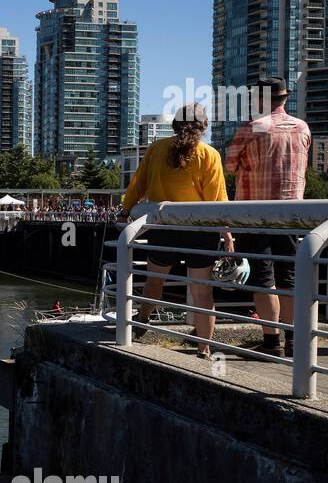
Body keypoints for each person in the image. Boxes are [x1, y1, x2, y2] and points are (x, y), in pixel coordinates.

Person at [122, 103, 233, 359]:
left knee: (155, 280)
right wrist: (227, 234)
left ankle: (142, 322)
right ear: (203, 126)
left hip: (163, 226)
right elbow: (218, 199)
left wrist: (125, 210)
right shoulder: (209, 154)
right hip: (200, 230)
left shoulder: (157, 149)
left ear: (175, 124)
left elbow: (139, 183)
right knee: (202, 291)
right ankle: (204, 348)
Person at [224, 77, 312, 358]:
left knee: (263, 279)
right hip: (292, 215)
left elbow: (229, 165)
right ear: (284, 98)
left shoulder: (251, 129)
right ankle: (293, 341)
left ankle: (271, 342)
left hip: (255, 213)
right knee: (290, 280)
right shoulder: (302, 127)